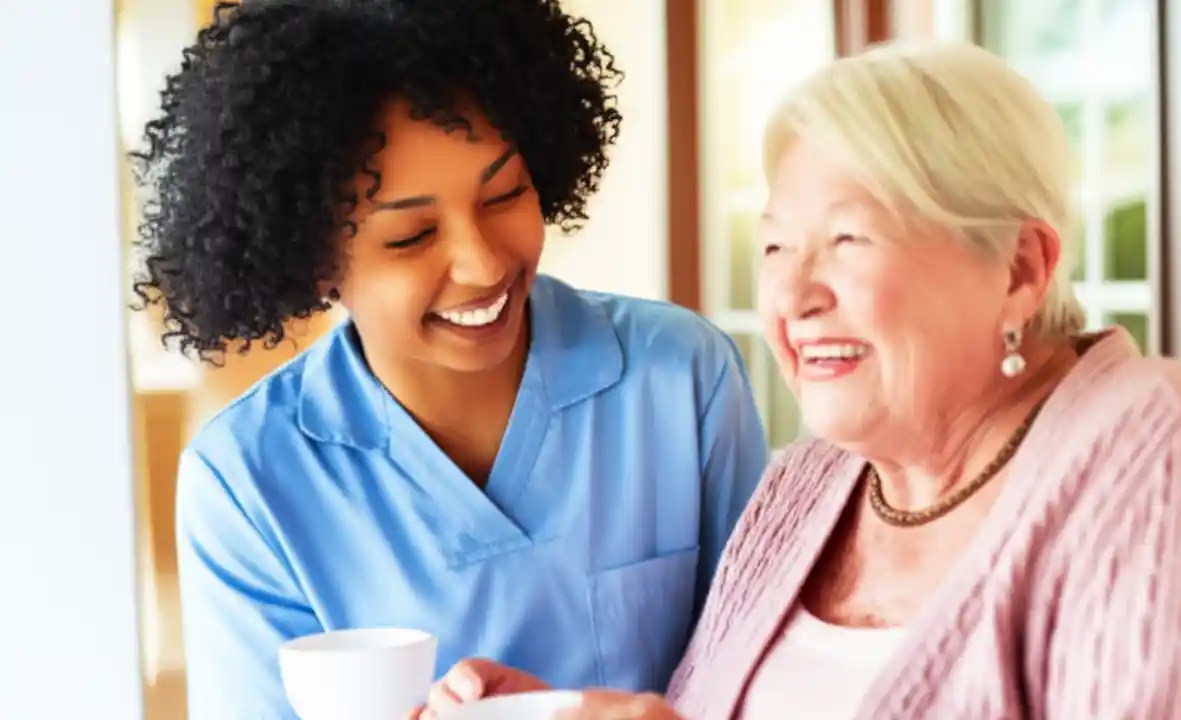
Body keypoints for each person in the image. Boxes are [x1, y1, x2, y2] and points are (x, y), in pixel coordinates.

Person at [427, 40, 1181, 720]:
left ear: (1020, 267)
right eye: (774, 246)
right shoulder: (806, 485)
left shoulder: (1163, 442)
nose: (793, 298)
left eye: (848, 240)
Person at [130, 1, 769, 717]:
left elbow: (779, 681)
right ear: (314, 261)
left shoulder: (679, 376)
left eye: (505, 194)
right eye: (411, 236)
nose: (481, 262)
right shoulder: (247, 479)